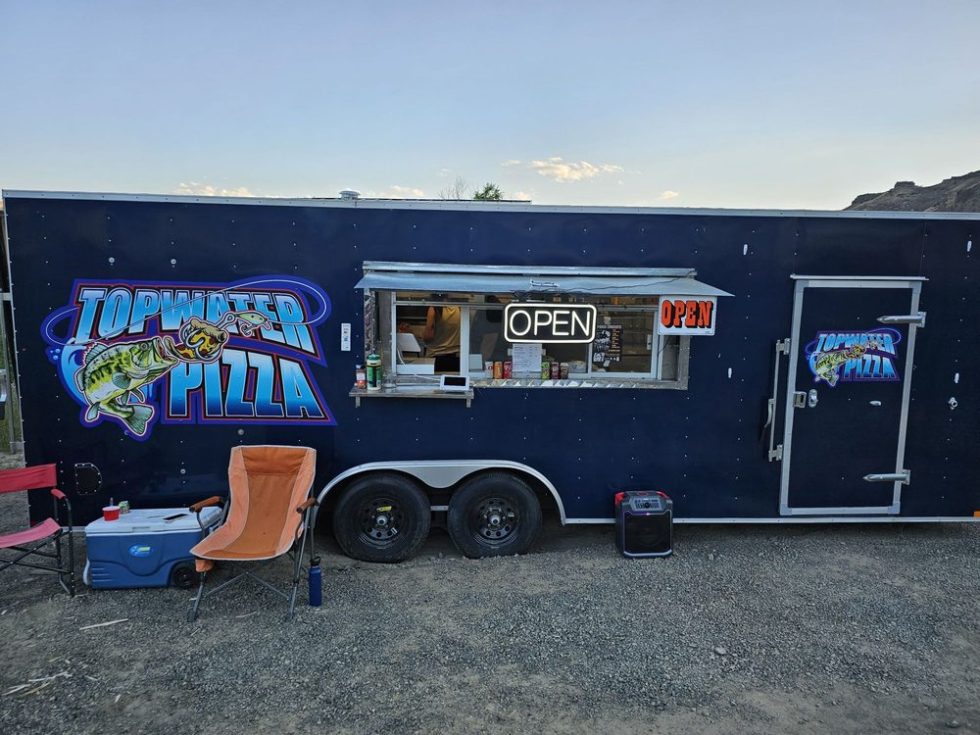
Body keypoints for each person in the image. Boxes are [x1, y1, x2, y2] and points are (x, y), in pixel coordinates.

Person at [422, 303, 461, 372]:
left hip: (436, 357)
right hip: (456, 357)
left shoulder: (434, 308)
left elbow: (428, 336)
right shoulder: (459, 308)